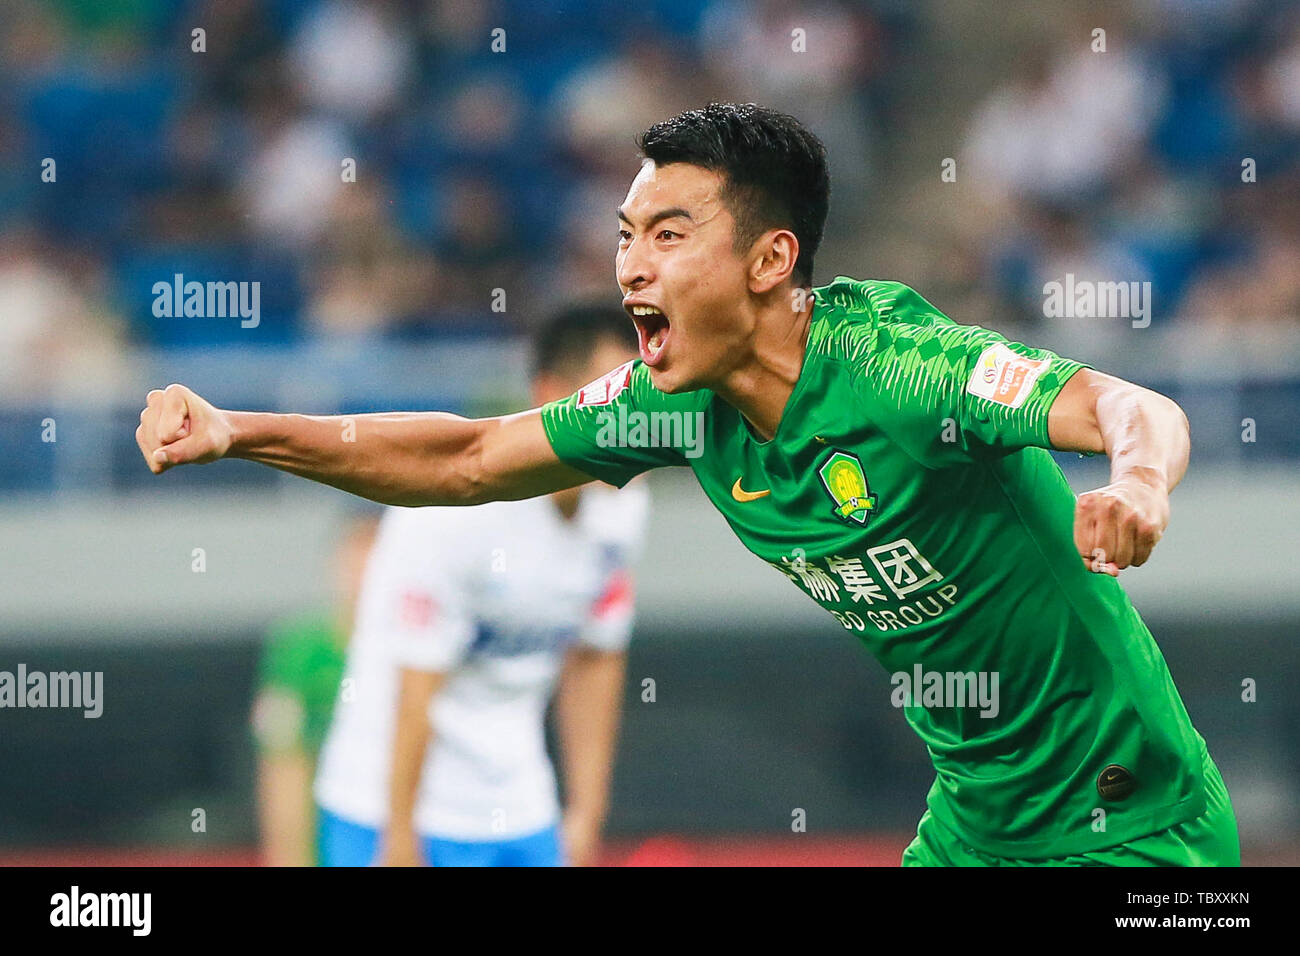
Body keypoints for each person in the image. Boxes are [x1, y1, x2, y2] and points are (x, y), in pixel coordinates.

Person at [137, 102, 1238, 867]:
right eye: (625, 237)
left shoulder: (902, 368)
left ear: (768, 260)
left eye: (669, 235)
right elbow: (466, 457)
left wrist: (1136, 485)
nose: (631, 267)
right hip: (978, 825)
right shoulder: (670, 402)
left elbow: (1131, 406)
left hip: (1133, 815)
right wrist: (240, 428)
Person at [312, 304, 646, 867]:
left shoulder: (624, 511)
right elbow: (415, 685)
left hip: (519, 806)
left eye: (641, 397)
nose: (633, 417)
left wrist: (586, 813)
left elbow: (597, 657)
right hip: (387, 807)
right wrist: (398, 839)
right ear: (551, 394)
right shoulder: (453, 510)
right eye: (612, 395)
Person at [251, 513, 378, 866]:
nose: (366, 568)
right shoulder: (299, 650)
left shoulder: (425, 651)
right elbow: (283, 764)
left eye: (376, 550)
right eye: (356, 550)